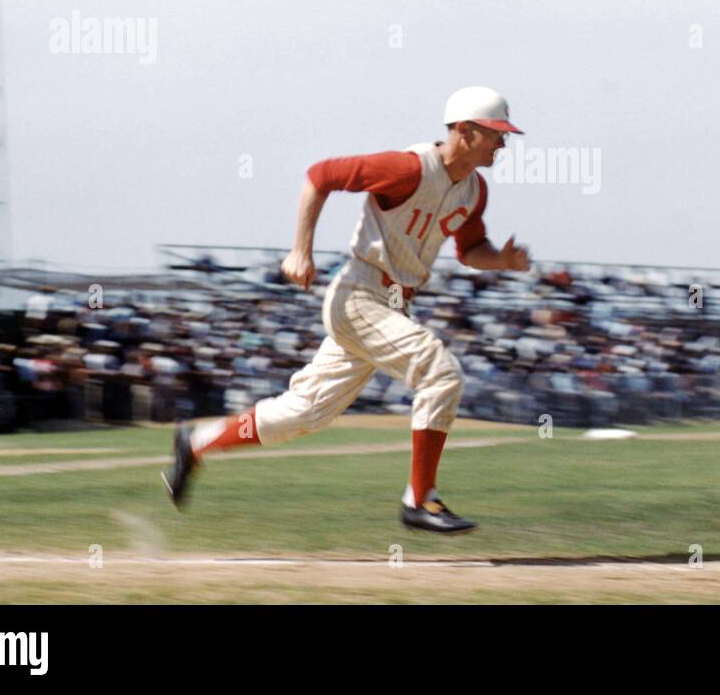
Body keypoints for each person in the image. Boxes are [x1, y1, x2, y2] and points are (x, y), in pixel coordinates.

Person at [163, 86, 531, 533]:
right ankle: (420, 500)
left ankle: (195, 444)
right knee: (441, 372)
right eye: (496, 133)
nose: (503, 142)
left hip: (390, 307)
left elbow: (471, 249)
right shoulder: (408, 167)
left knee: (303, 413)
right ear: (465, 131)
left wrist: (503, 262)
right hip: (359, 294)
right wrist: (301, 251)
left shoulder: (474, 191)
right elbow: (319, 176)